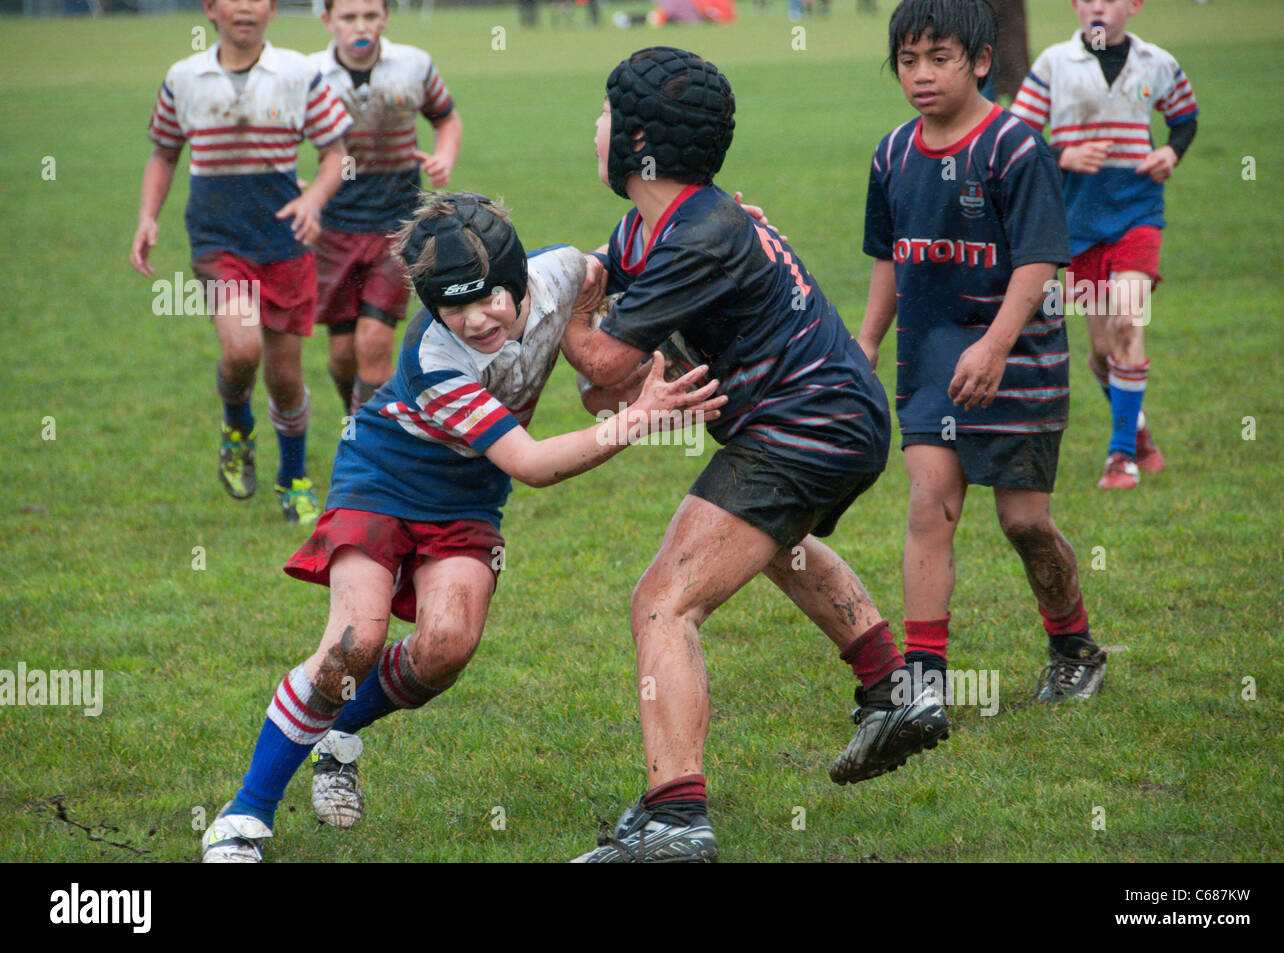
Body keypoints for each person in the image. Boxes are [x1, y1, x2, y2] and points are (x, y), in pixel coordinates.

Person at [201, 192, 725, 862]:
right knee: (356, 640)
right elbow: (532, 465)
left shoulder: (563, 271)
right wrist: (636, 417)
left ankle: (336, 733)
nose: (475, 320)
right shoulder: (436, 357)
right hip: (383, 474)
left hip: (468, 493)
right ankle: (244, 816)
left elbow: (627, 260)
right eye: (453, 306)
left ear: (516, 280)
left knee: (446, 647)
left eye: (488, 299)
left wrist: (719, 228)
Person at [565, 47, 949, 864]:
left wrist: (554, 315)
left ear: (636, 145)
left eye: (601, 114)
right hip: (829, 417)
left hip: (806, 425)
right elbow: (616, 362)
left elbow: (601, 362)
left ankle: (675, 818)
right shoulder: (654, 227)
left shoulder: (701, 233)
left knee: (663, 602)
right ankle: (894, 687)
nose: (590, 128)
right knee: (774, 545)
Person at [857, 0, 1106, 711]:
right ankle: (925, 681)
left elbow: (1038, 263)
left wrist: (995, 346)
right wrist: (868, 341)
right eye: (908, 60)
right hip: (930, 365)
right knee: (929, 508)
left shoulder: (1016, 148)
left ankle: (1073, 643)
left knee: (1024, 522)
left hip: (1020, 365)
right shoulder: (892, 153)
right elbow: (888, 258)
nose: (922, 75)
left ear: (981, 62)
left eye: (940, 58)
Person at [130, 0, 352, 524]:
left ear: (272, 10)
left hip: (284, 241)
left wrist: (314, 200)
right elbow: (164, 153)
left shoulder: (298, 72)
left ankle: (293, 478)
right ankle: (237, 426)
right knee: (240, 348)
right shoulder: (184, 78)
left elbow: (337, 153)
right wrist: (147, 218)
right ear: (211, 9)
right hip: (217, 240)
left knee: (285, 378)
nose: (246, 6)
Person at [1011, 0, 1198, 489]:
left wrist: (1170, 153)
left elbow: (1185, 118)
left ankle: (1120, 459)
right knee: (1099, 351)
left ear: (1133, 7)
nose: (1098, 6)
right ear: (1075, 7)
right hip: (1077, 223)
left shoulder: (1157, 62)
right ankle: (1136, 431)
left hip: (1138, 212)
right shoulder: (1054, 63)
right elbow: (1019, 137)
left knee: (1127, 322)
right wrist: (1064, 153)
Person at [310, 0, 462, 418]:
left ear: (385, 18)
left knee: (373, 341)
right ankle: (355, 420)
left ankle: (367, 441)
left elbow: (445, 117)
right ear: (327, 21)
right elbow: (277, 135)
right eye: (348, 17)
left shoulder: (413, 65)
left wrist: (444, 157)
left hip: (399, 224)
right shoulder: (309, 74)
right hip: (334, 226)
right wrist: (294, 183)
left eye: (370, 16)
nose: (361, 26)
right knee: (342, 353)